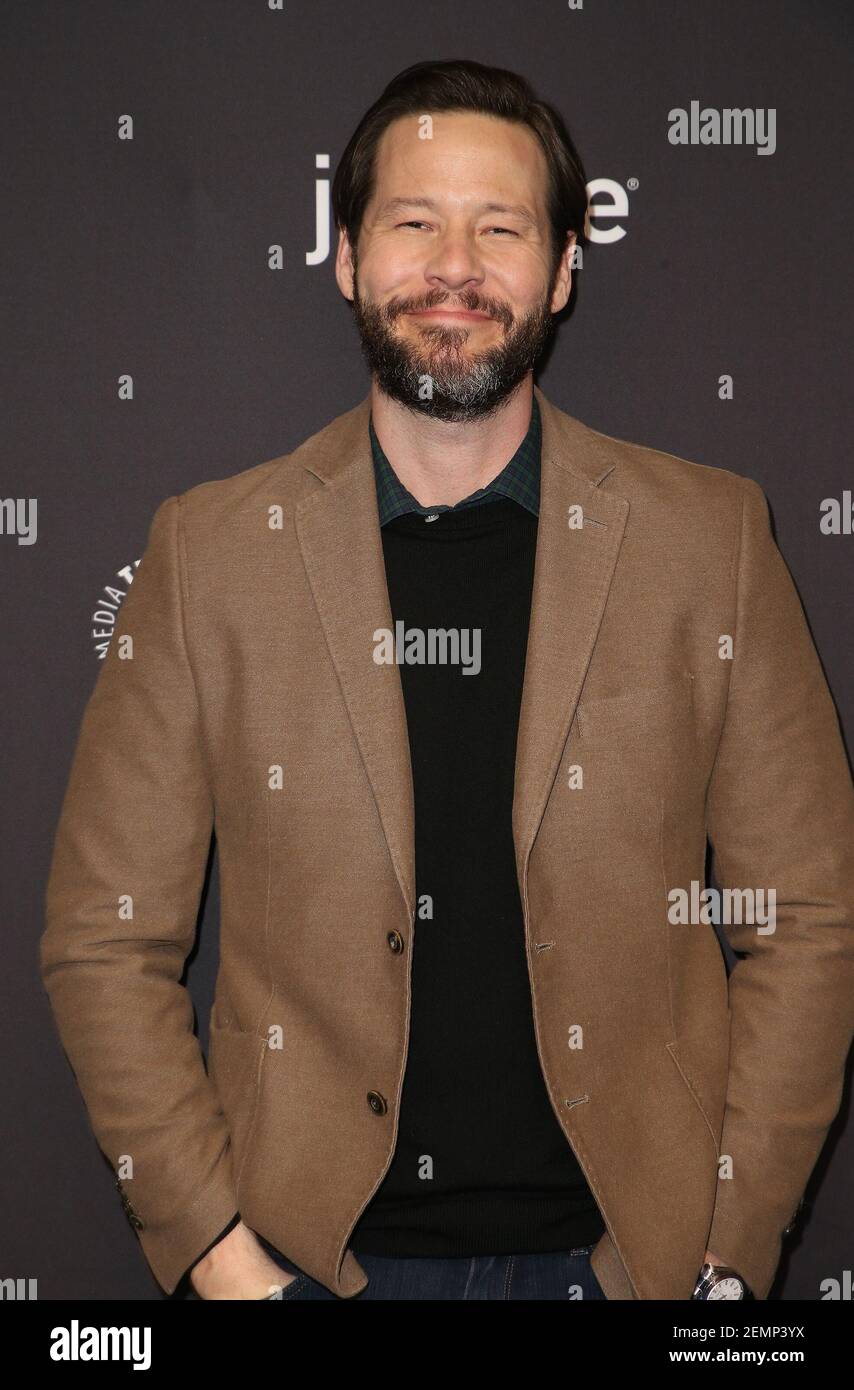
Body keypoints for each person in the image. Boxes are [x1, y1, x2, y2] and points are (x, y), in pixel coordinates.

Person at [41, 59, 854, 1302]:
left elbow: (801, 918)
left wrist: (726, 1257)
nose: (454, 265)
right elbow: (107, 940)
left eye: (501, 226)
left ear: (565, 268)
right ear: (347, 256)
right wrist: (216, 1256)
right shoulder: (208, 555)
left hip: (633, 1264)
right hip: (306, 1266)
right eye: (414, 221)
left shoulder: (711, 540)